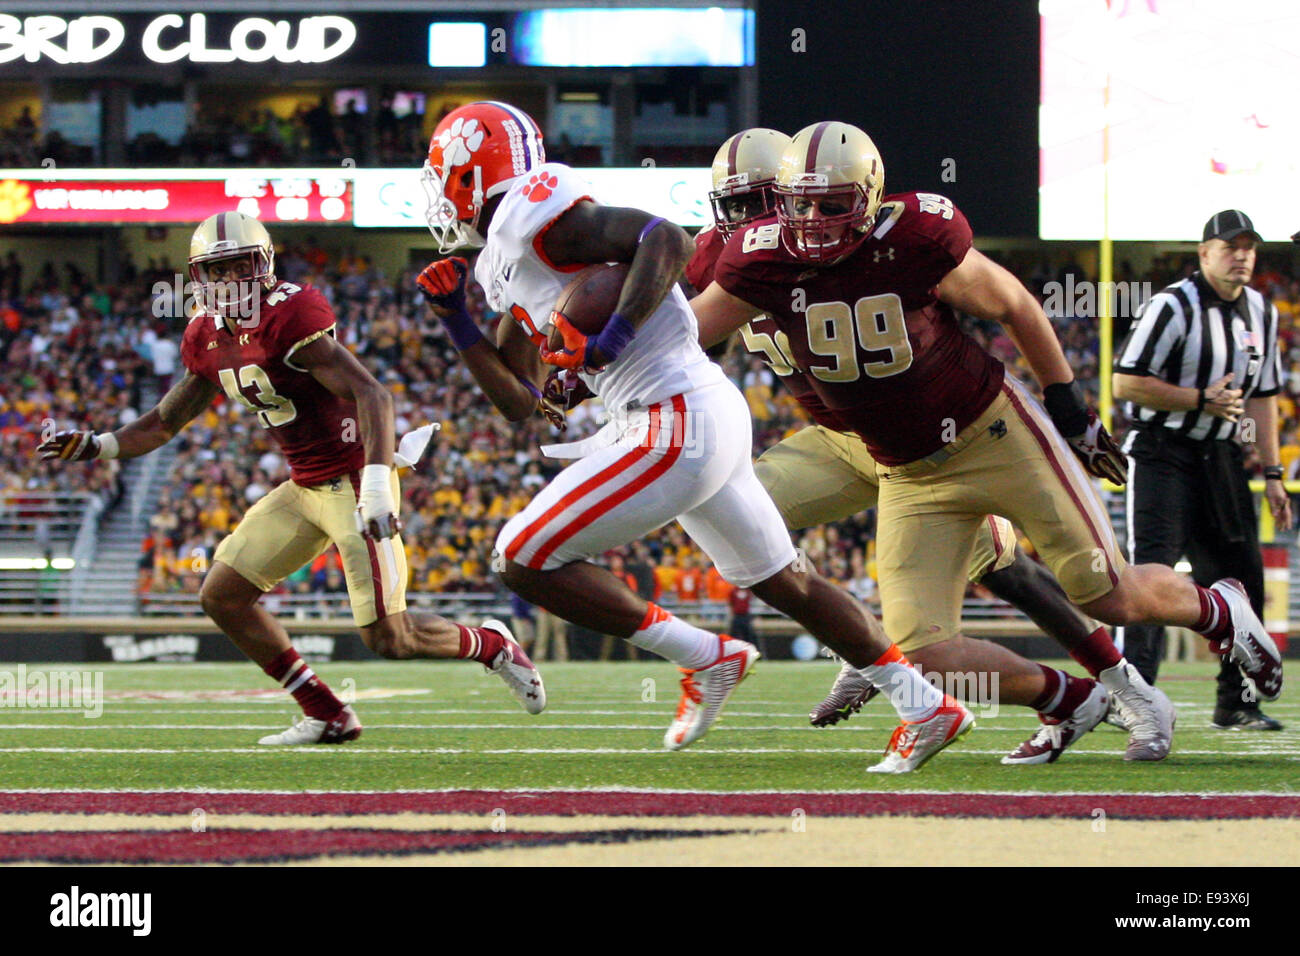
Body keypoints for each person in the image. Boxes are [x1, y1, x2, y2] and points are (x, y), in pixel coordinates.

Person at [691, 121, 1283, 763]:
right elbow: (678, 340)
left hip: (987, 430)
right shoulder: (748, 257)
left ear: (864, 196)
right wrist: (592, 366)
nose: (804, 221)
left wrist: (1073, 415)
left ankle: (1206, 618)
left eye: (822, 204)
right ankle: (1030, 689)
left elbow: (1015, 305)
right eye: (773, 204)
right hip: (887, 455)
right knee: (743, 522)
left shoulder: (911, 237)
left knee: (1097, 589)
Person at [416, 100, 973, 771]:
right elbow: (519, 400)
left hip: (672, 416)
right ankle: (927, 705)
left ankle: (708, 656)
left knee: (521, 556)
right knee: (783, 582)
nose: (437, 190)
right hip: (691, 413)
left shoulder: (537, 213)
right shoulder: (505, 253)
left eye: (443, 172)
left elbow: (667, 239)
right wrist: (455, 319)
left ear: (474, 173)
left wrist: (614, 337)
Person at [40, 210, 545, 744]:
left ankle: (491, 645)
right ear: (199, 277)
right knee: (222, 595)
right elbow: (166, 420)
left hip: (354, 481)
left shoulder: (290, 315)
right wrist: (98, 445)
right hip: (304, 486)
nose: (231, 281)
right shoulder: (205, 335)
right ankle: (327, 712)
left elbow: (373, 393)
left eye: (240, 267)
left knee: (389, 638)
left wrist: (375, 487)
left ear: (262, 266)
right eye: (218, 270)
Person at [1114, 209, 1291, 730]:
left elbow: (1263, 400)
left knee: (1243, 577)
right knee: (1150, 576)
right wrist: (1197, 400)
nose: (1242, 256)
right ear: (1204, 252)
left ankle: (1235, 702)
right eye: (1230, 247)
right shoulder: (1172, 305)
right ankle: (1136, 698)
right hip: (1162, 453)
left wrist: (1275, 475)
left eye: (1250, 248)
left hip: (1223, 458)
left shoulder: (1262, 309)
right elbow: (1126, 382)